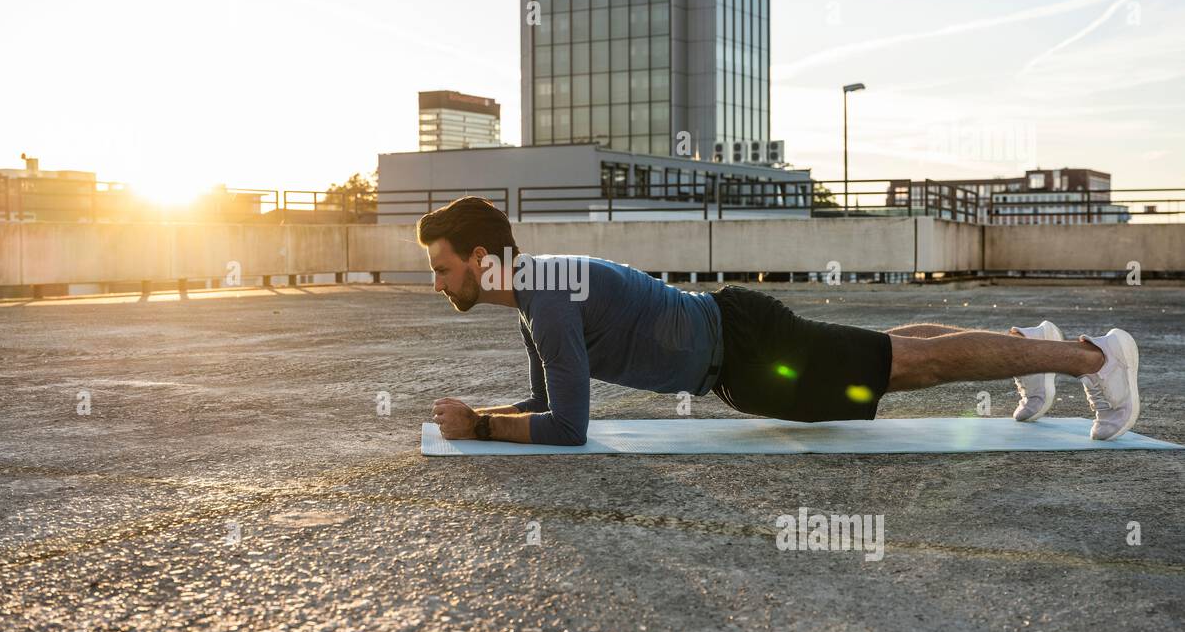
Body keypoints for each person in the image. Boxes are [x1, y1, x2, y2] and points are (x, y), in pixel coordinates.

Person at [419, 197, 1140, 446]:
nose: (437, 279)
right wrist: (482, 416)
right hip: (739, 349)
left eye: (442, 265)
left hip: (748, 352)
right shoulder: (539, 291)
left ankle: (1093, 359)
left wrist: (480, 425)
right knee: (889, 353)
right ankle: (1032, 349)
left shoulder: (545, 296)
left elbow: (568, 429)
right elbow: (544, 406)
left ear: (480, 256)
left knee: (909, 367)